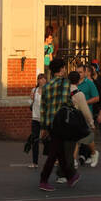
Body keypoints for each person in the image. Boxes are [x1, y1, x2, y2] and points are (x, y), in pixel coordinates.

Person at [38, 58, 80, 191]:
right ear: (61, 69)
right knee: (53, 154)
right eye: (64, 67)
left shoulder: (47, 86)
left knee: (59, 151)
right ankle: (44, 180)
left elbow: (43, 108)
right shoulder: (66, 83)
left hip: (50, 123)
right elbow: (65, 102)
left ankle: (70, 176)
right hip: (62, 124)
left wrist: (44, 127)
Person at [74, 61, 101, 168]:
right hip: (75, 114)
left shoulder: (89, 83)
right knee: (75, 138)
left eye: (80, 72)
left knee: (87, 138)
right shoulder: (73, 83)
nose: (78, 74)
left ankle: (94, 153)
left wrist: (84, 102)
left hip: (86, 113)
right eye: (77, 72)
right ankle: (74, 159)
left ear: (85, 73)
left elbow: (97, 98)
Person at [25, 73, 47, 167]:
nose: (42, 81)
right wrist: (31, 99)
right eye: (40, 79)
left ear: (46, 80)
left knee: (47, 140)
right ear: (38, 81)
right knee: (35, 140)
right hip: (35, 117)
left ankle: (54, 159)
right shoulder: (34, 90)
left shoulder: (49, 91)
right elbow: (30, 103)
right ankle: (35, 162)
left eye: (43, 79)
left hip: (45, 118)